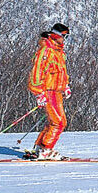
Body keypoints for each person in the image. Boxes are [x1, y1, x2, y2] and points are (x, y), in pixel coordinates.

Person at [24, 23, 71, 160]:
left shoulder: (58, 52)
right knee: (59, 122)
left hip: (56, 91)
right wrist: (38, 92)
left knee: (54, 121)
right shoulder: (46, 51)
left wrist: (65, 85)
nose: (64, 39)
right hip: (48, 91)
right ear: (56, 35)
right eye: (64, 36)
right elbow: (37, 73)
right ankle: (46, 150)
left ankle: (40, 148)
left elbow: (61, 72)